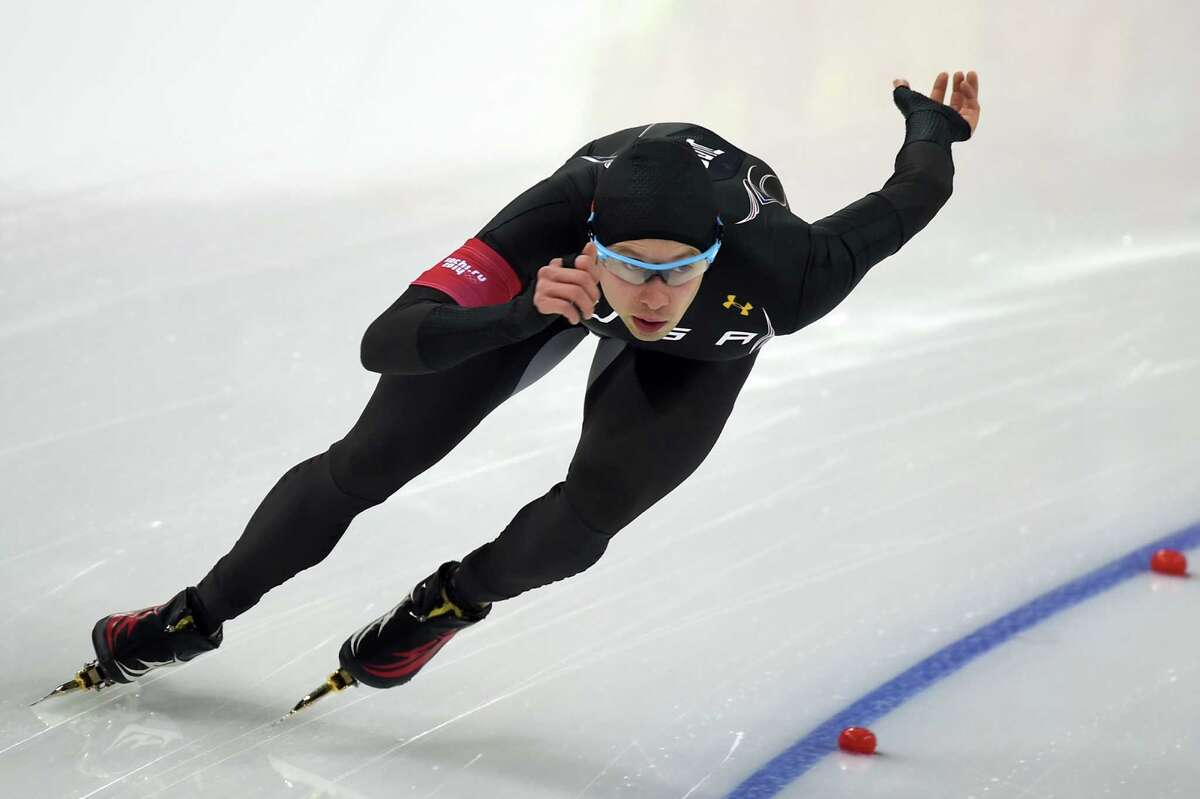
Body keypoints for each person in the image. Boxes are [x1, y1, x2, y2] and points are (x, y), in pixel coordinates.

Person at [39, 72, 981, 711]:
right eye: (629, 270)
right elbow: (385, 343)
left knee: (595, 511)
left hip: (704, 338)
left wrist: (934, 128)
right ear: (594, 245)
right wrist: (517, 314)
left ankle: (446, 603)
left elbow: (911, 195)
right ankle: (193, 615)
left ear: (717, 256)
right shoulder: (550, 224)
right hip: (545, 291)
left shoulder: (790, 271)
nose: (652, 299)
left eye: (678, 273)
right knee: (369, 461)